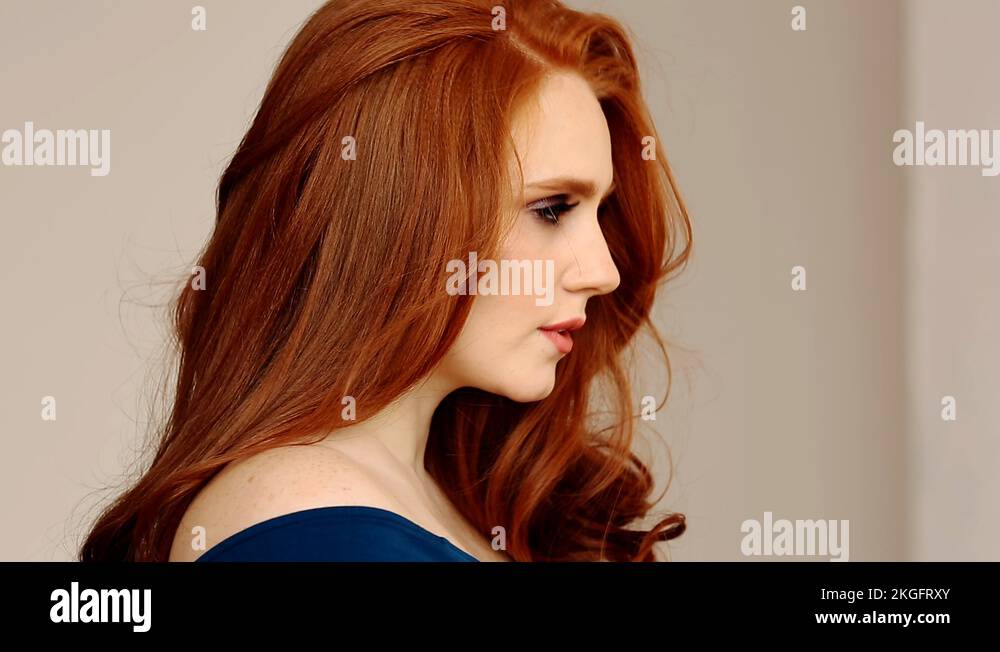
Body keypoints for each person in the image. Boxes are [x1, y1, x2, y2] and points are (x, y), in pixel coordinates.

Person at [79, 0, 691, 562]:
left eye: (598, 211)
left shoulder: (434, 501)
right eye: (552, 208)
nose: (605, 272)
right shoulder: (305, 527)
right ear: (398, 211)